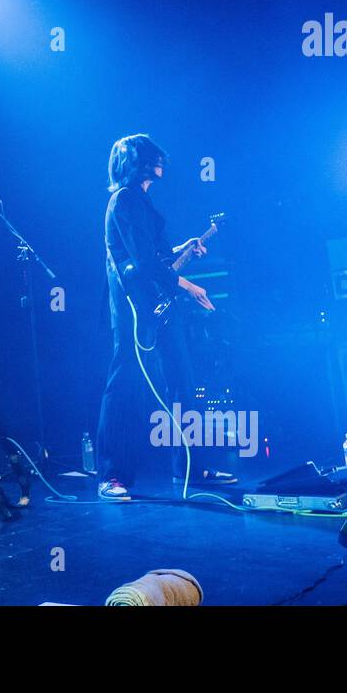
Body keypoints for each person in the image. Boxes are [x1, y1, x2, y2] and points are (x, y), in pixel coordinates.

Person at [94, 134, 233, 501]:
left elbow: (153, 256)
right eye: (153, 158)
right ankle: (112, 475)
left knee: (183, 383)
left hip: (159, 306)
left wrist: (182, 249)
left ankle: (194, 467)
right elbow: (140, 263)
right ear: (136, 161)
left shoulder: (140, 200)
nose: (160, 164)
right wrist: (188, 285)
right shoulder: (124, 200)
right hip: (134, 311)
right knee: (126, 385)